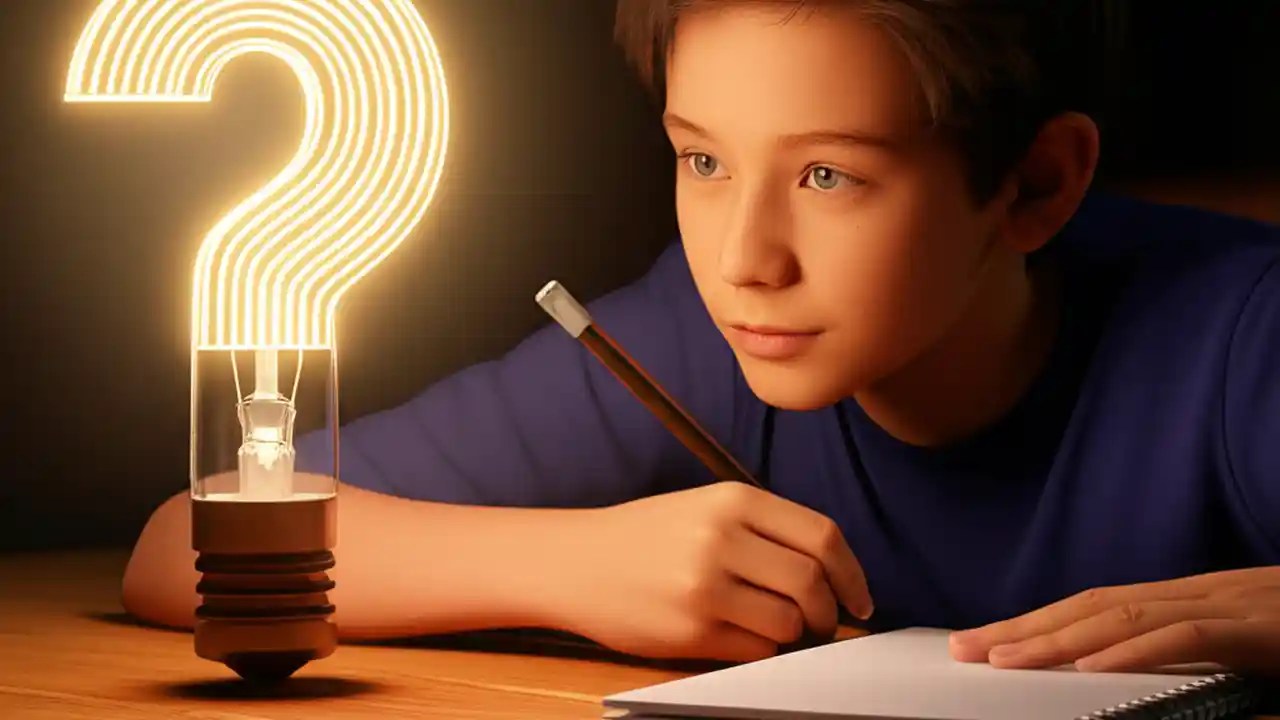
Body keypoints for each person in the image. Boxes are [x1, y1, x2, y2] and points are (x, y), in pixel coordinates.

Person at [123, 0, 1280, 673]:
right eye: (703, 160)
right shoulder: (691, 336)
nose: (743, 260)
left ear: (1033, 185)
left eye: (826, 175)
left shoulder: (1236, 334)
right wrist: (569, 567)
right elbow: (189, 547)